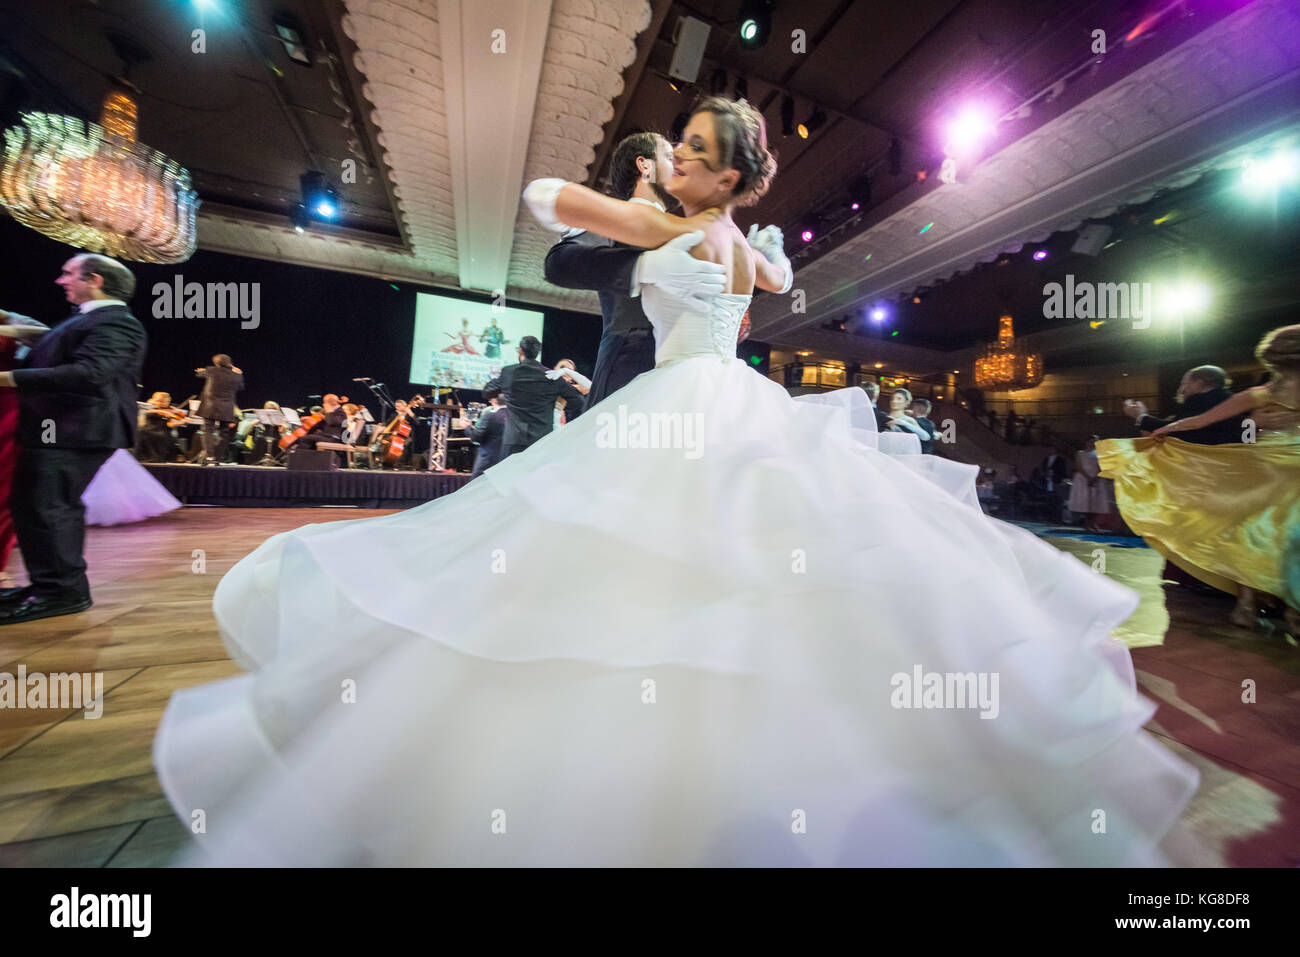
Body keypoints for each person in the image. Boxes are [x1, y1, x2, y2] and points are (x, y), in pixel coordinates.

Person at [154, 97, 1195, 866]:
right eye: (678, 151)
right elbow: (783, 277)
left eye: (695, 153)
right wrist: (728, 219)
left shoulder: (672, 224)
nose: (678, 159)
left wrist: (641, 195)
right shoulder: (742, 244)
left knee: (624, 557)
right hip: (723, 393)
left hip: (680, 402)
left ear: (726, 178)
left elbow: (540, 198)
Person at [543, 131, 790, 409]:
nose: (680, 162)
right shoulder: (617, 220)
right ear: (645, 166)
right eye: (670, 156)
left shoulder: (690, 231)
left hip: (689, 381)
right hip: (627, 367)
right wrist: (643, 267)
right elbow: (559, 263)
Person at [1101, 326, 1300, 635]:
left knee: (1251, 533)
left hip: (1261, 469)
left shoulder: (1262, 394)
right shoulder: (1260, 395)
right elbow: (1208, 423)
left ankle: (1247, 606)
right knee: (1285, 538)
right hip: (1285, 471)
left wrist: (1164, 429)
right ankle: (1290, 612)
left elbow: (1202, 422)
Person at [0, 254, 146, 624]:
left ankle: (63, 592)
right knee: (36, 506)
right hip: (60, 428)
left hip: (78, 430)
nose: (60, 280)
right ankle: (47, 586)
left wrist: (8, 379)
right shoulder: (90, 319)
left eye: (68, 273)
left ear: (94, 279)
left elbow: (90, 373)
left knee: (50, 507)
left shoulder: (117, 322)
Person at [0, 311, 49, 587]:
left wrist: (5, 327)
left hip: (5, 410)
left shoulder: (14, 322)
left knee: (3, 488)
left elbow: (47, 334)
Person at [483, 337, 586, 461]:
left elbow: (487, 392)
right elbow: (578, 401)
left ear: (520, 351)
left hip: (513, 441)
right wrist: (554, 404)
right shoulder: (551, 376)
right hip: (541, 442)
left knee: (509, 479)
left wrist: (506, 391)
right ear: (538, 353)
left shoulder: (508, 372)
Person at [1122, 365, 1244, 445]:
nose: (1181, 390)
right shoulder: (1231, 398)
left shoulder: (1199, 399)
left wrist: (1140, 415)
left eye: (1184, 383)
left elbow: (1174, 429)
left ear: (1199, 384)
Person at [195, 355, 244, 466]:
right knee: (224, 433)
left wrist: (202, 371)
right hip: (226, 408)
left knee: (208, 430)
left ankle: (209, 456)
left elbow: (199, 374)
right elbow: (240, 387)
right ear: (230, 363)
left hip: (210, 406)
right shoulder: (236, 375)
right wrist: (238, 374)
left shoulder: (211, 370)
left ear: (216, 363)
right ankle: (217, 458)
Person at [1067, 437, 1117, 532]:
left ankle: (1093, 523)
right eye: (1091, 441)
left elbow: (1101, 467)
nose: (1093, 443)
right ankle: (1087, 523)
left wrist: (1095, 478)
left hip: (1096, 478)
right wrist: (1088, 477)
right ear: (1086, 442)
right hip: (1083, 478)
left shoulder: (1098, 454)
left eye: (1095, 441)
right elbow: (1079, 466)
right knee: (1085, 501)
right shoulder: (1080, 453)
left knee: (1095, 502)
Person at [467, 387, 507, 478]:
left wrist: (467, 427)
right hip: (505, 462)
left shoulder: (490, 415)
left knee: (475, 488)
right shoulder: (515, 416)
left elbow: (476, 437)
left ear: (493, 400)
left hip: (487, 462)